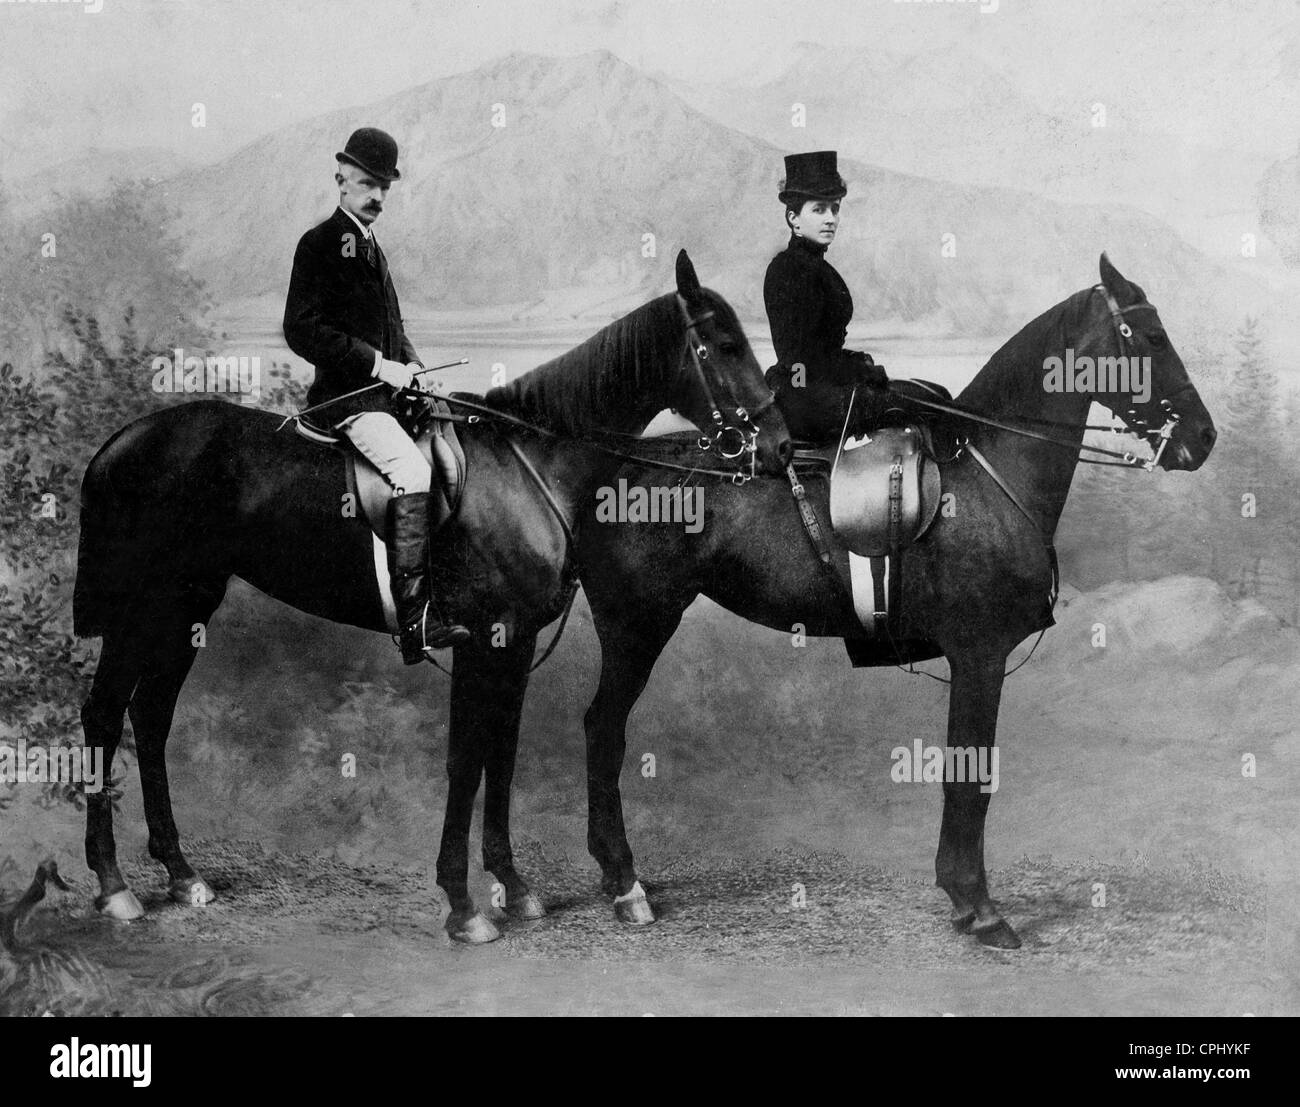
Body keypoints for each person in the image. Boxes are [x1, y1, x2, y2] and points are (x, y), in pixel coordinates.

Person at [283, 126, 470, 663]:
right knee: (413, 473)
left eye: (385, 187)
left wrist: (413, 366)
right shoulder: (319, 244)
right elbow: (302, 330)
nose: (378, 197)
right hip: (346, 402)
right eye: (368, 183)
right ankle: (415, 622)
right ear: (340, 178)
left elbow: (393, 325)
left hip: (384, 396)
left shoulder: (371, 247)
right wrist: (378, 366)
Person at [763, 150, 891, 444]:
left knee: (921, 396)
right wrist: (855, 370)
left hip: (820, 391)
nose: (831, 219)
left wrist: (854, 362)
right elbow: (798, 362)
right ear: (794, 218)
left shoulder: (819, 268)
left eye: (835, 209)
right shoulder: (787, 270)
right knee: (910, 403)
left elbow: (821, 349)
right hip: (803, 399)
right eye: (819, 210)